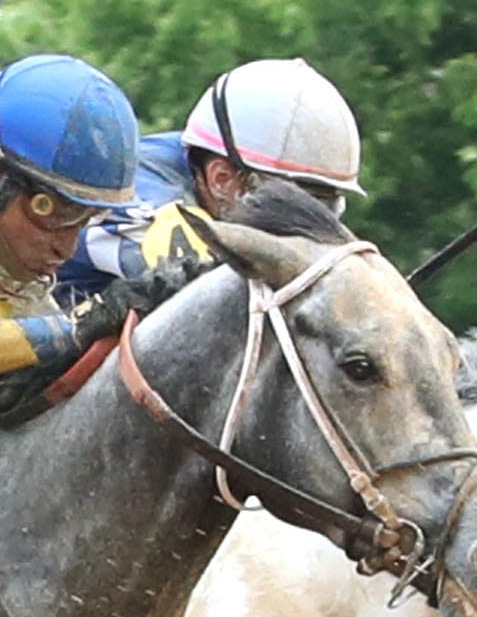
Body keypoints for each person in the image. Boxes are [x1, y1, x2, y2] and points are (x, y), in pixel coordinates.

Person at [58, 57, 367, 310]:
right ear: (222, 180)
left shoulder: (203, 166)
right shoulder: (149, 202)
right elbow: (213, 302)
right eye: (292, 203)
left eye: (326, 206)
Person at [0, 54, 155, 427]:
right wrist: (77, 326)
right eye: (51, 211)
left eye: (85, 221)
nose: (66, 248)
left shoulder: (25, 290)